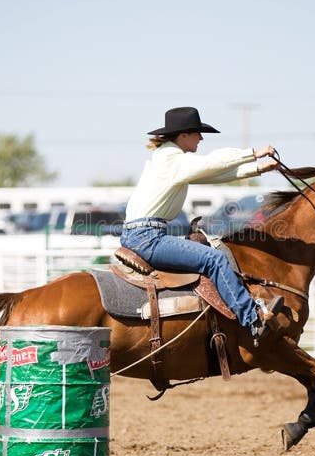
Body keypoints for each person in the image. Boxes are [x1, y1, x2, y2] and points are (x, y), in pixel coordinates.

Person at [120, 106, 280, 342]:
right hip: (148, 237)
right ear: (183, 135)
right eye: (197, 133)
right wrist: (254, 153)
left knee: (211, 254)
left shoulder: (170, 160)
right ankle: (253, 320)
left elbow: (213, 174)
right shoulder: (171, 159)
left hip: (142, 234)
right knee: (213, 258)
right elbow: (212, 164)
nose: (201, 138)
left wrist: (257, 168)